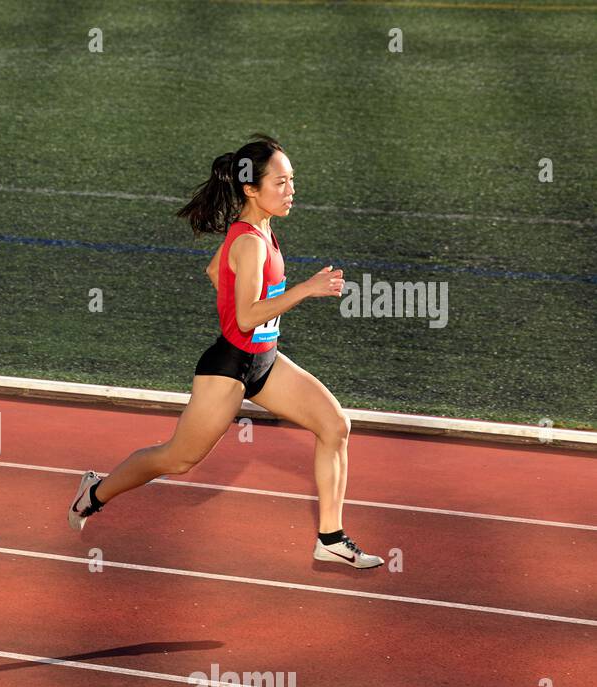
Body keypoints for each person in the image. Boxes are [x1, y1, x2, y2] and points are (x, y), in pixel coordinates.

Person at [68, 134, 382, 569]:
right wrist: (305, 291)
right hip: (229, 367)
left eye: (292, 181)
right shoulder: (250, 242)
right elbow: (250, 315)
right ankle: (95, 491)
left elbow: (215, 270)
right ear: (251, 189)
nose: (291, 190)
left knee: (335, 425)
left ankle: (329, 537)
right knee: (178, 458)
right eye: (281, 182)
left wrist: (235, 303)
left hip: (264, 361)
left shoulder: (257, 231)